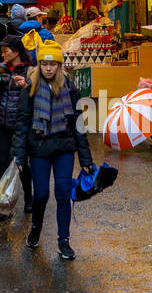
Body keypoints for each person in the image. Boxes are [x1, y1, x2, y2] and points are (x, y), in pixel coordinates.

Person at [12, 40, 95, 260]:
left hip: (64, 148)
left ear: (59, 66)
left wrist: (86, 158)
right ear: (39, 65)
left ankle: (63, 241)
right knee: (41, 194)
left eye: (53, 64)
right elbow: (22, 124)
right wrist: (19, 155)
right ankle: (36, 227)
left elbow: (79, 125)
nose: (49, 68)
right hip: (38, 148)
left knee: (62, 193)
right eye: (45, 64)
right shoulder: (30, 90)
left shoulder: (70, 89)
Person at [0, 35, 33, 219]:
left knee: (22, 164)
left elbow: (36, 96)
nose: (3, 53)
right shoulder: (0, 69)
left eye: (6, 50)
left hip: (20, 125)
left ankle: (29, 198)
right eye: (2, 50)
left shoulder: (30, 71)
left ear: (16, 51)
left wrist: (27, 87)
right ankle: (3, 204)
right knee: (3, 164)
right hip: (1, 123)